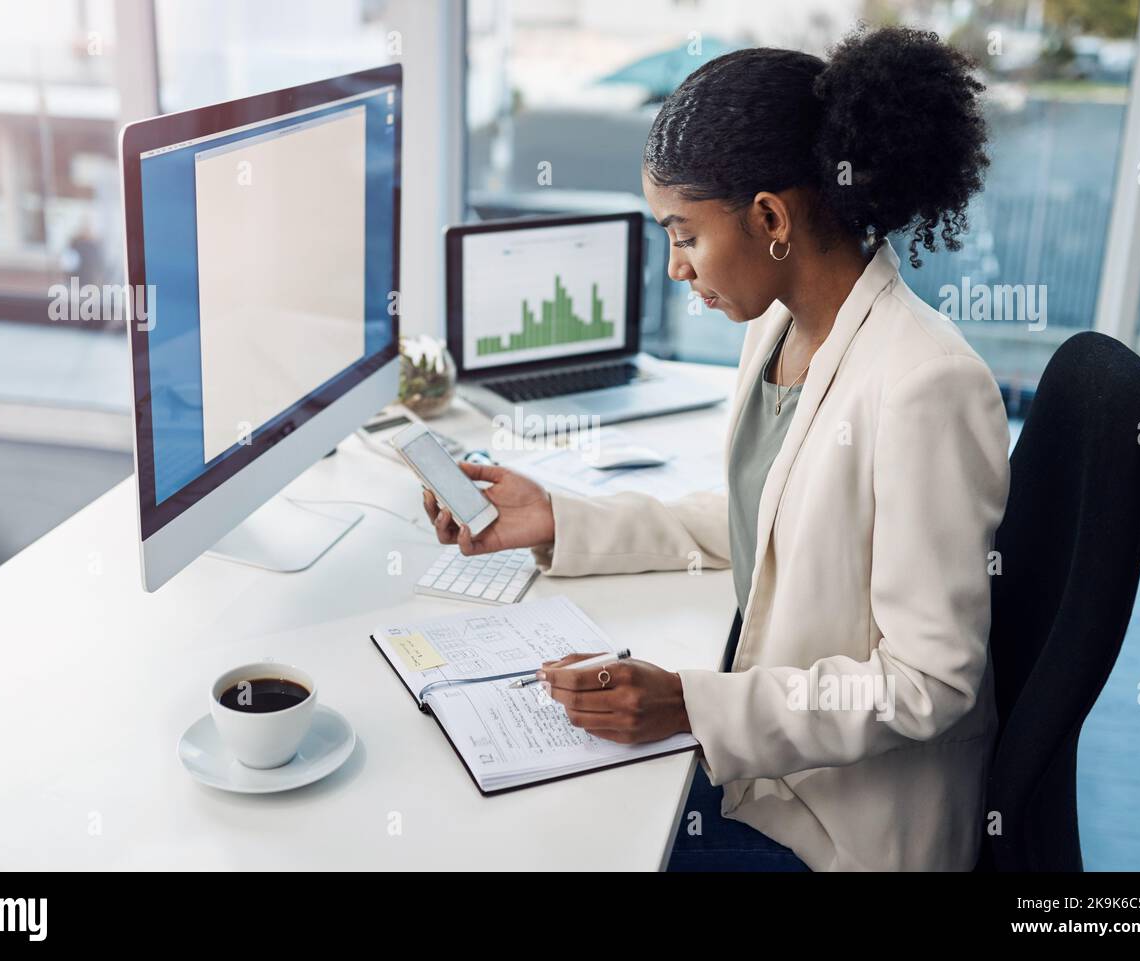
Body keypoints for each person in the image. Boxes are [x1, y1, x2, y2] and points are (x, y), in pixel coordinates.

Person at [422, 25, 1008, 872]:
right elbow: (760, 519)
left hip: (839, 827)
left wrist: (694, 705)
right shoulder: (777, 324)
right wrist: (559, 519)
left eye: (684, 235)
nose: (675, 268)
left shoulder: (927, 384)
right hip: (771, 773)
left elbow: (931, 683)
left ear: (770, 217)